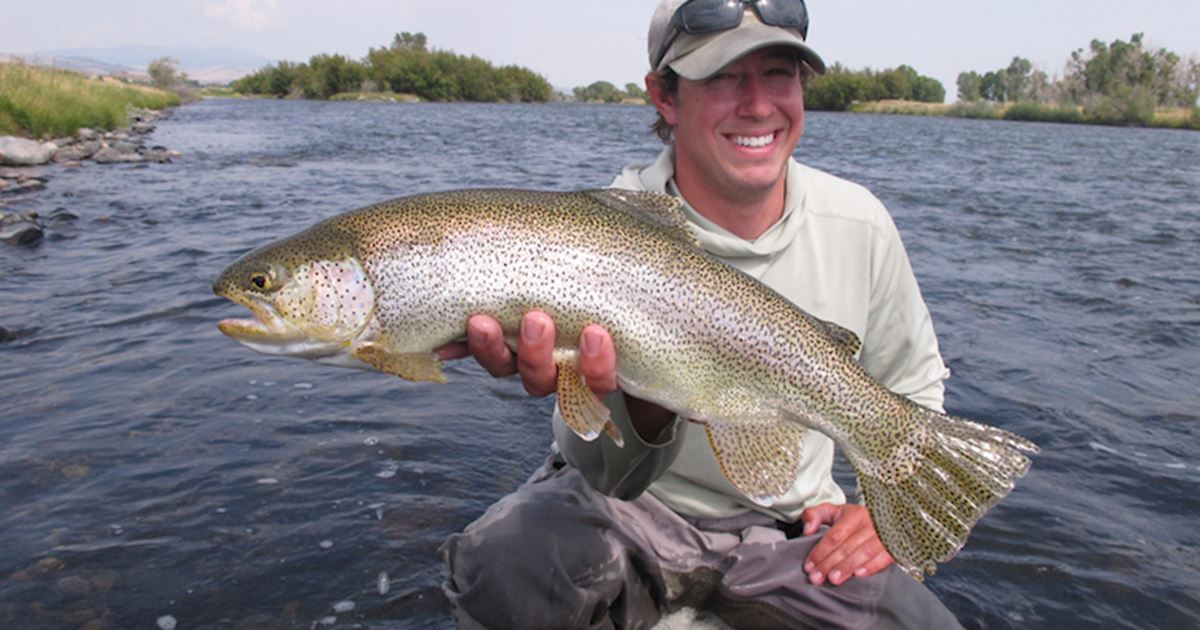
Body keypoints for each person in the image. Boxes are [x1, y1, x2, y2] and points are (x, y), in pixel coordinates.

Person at [437, 0, 963, 627]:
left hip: (788, 531)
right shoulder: (600, 228)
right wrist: (649, 400)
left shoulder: (860, 224)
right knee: (501, 562)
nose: (759, 105)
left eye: (779, 74)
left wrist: (879, 513)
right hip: (625, 510)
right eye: (722, 76)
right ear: (664, 96)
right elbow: (601, 470)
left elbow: (914, 388)